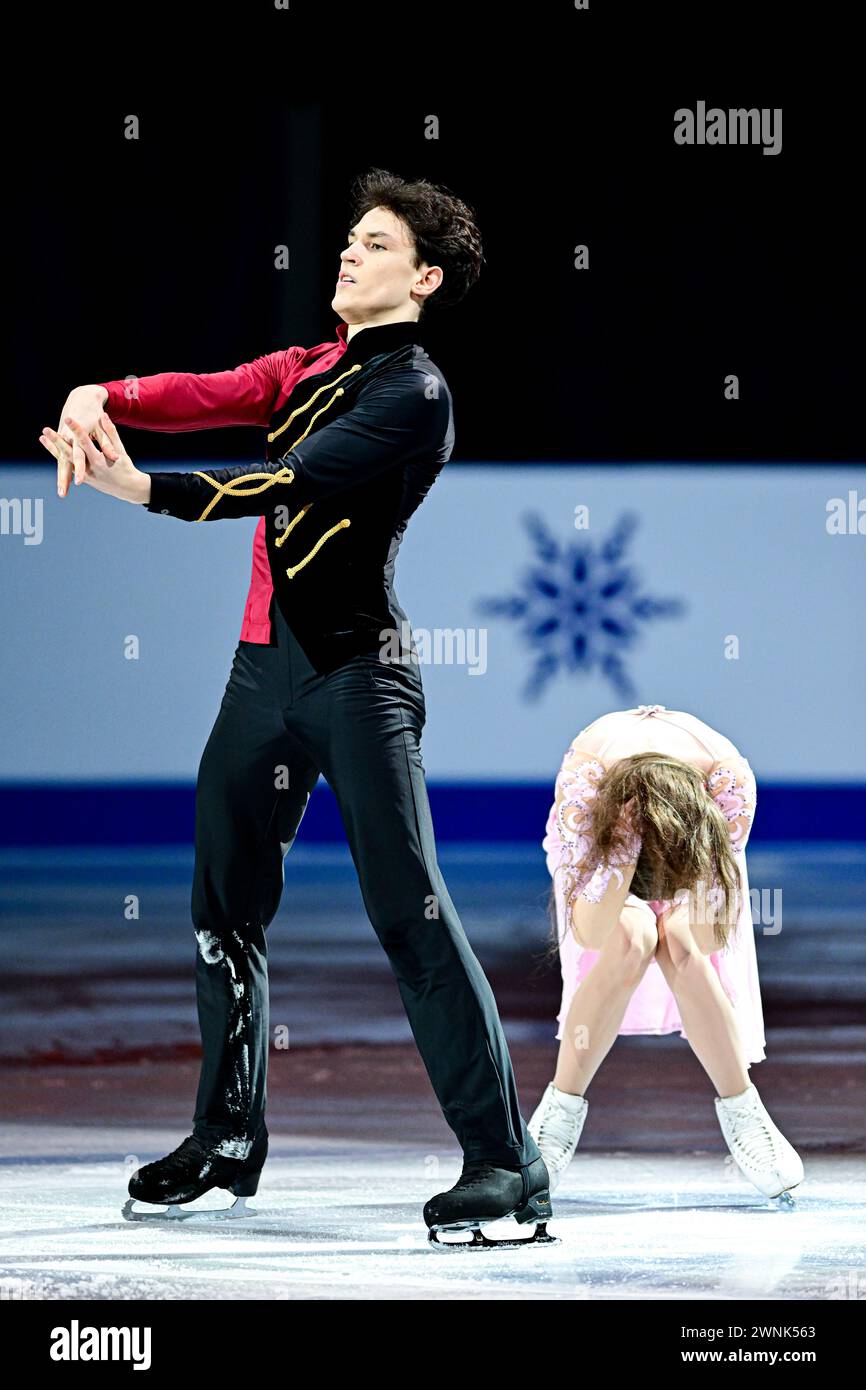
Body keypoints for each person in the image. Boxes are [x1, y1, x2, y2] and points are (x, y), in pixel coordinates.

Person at [39, 168, 551, 1247]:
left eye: (371, 244)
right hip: (259, 674)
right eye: (348, 239)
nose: (346, 254)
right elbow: (202, 391)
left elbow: (294, 486)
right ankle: (226, 1140)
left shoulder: (410, 393)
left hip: (357, 675)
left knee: (407, 913)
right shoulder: (304, 365)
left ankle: (507, 1165)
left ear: (423, 276)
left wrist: (142, 490)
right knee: (222, 903)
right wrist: (102, 396)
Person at [529, 703, 804, 1205]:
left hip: (695, 839)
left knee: (680, 939)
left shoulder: (729, 789)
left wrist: (690, 855)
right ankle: (558, 1116)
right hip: (600, 844)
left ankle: (746, 1114)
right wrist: (620, 850)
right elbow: (590, 933)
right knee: (628, 936)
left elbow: (709, 937)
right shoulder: (583, 794)